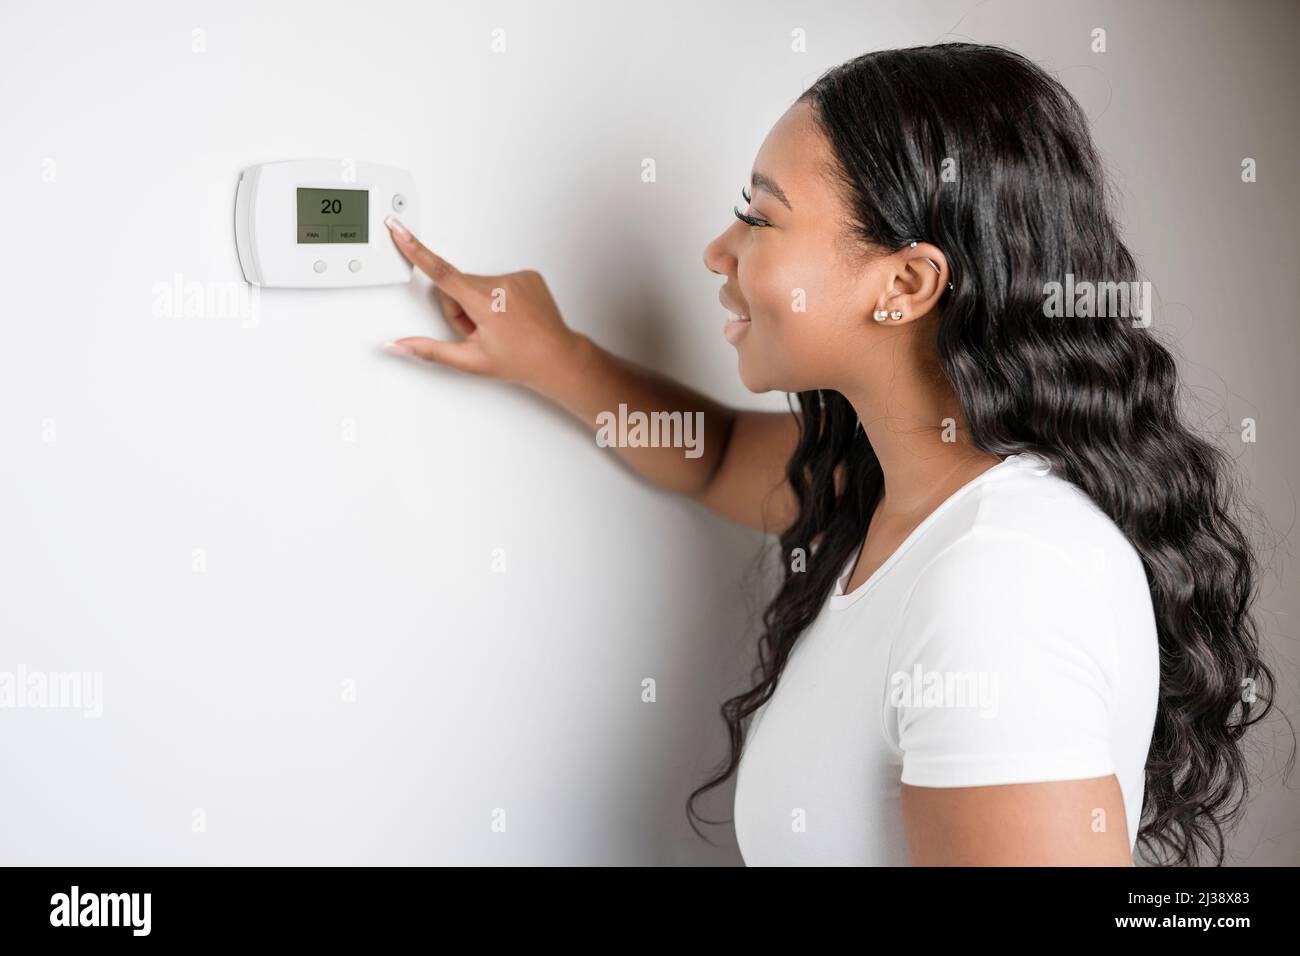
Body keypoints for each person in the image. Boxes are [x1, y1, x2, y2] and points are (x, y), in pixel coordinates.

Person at [380, 43, 1276, 866]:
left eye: (760, 219)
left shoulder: (1003, 578)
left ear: (906, 283)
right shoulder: (900, 486)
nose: (717, 250)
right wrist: (556, 354)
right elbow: (719, 453)